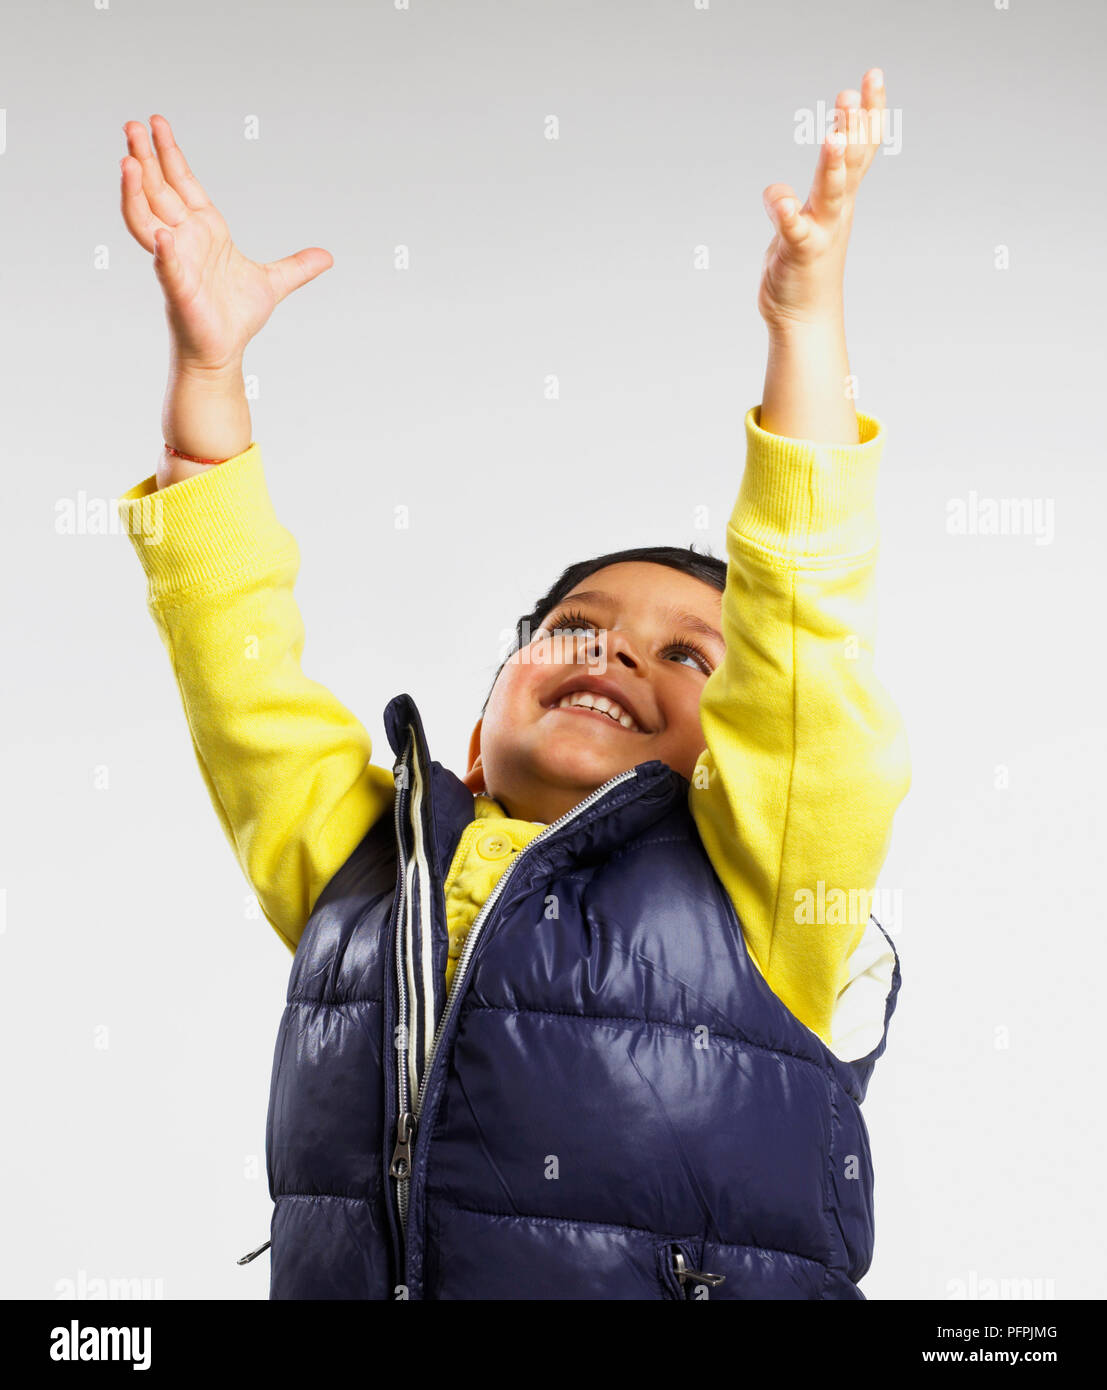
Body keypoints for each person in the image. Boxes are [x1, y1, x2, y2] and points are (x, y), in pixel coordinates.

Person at [116, 67, 910, 1299]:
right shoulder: (367, 856)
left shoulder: (768, 886)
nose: (616, 655)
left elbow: (811, 655)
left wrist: (805, 335)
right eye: (576, 629)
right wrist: (210, 382)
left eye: (690, 655)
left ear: (742, 752)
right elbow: (239, 674)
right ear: (479, 730)